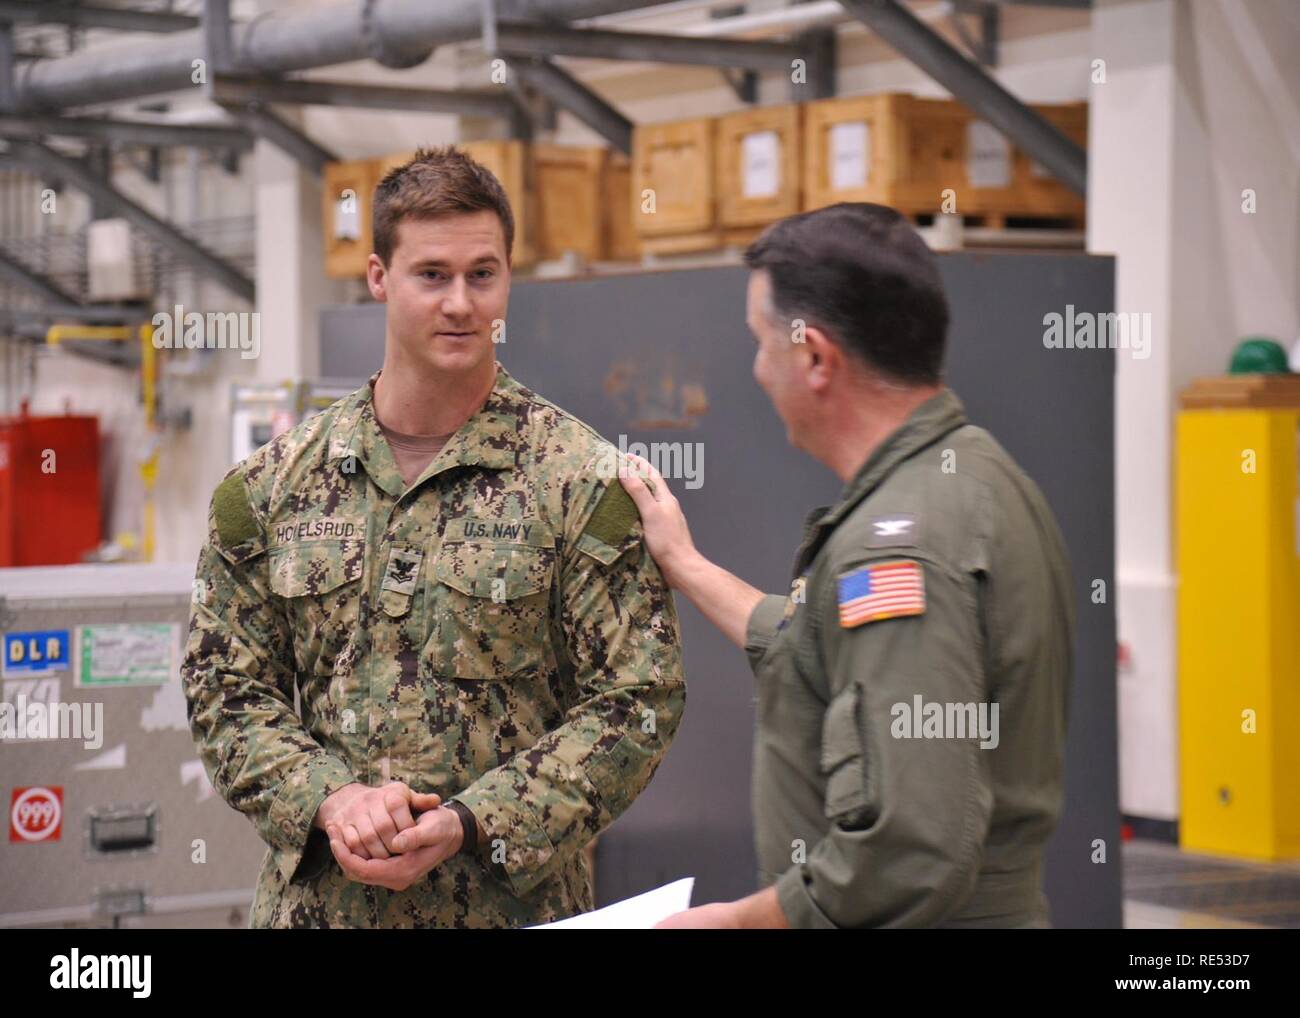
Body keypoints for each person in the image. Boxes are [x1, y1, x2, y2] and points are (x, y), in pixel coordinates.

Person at [182, 146, 685, 929]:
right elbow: (225, 690)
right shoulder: (270, 488)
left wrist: (473, 821)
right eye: (432, 275)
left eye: (482, 274)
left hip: (505, 909)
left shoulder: (579, 482)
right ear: (379, 277)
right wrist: (330, 800)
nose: (460, 303)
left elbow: (637, 700)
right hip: (322, 914)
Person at [620, 202, 1074, 929]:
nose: (758, 370)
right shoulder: (978, 477)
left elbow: (909, 850)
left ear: (815, 358)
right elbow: (812, 644)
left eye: (762, 344)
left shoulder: (900, 546)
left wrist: (739, 922)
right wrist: (683, 562)